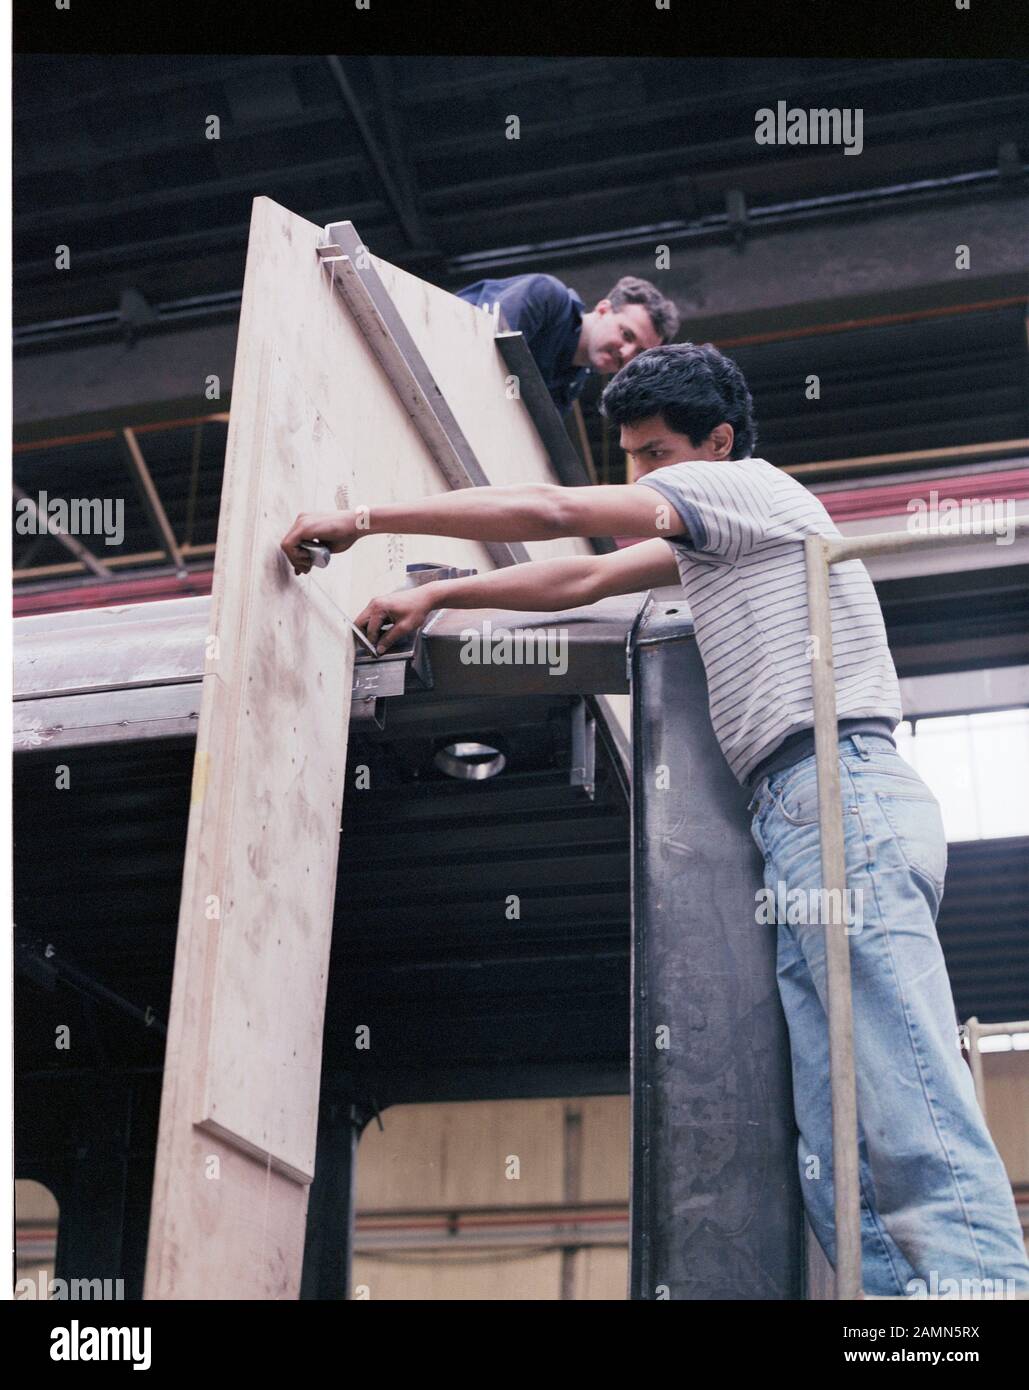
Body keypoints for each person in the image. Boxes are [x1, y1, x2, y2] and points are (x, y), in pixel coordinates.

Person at [281, 343, 1029, 1298]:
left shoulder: (750, 489)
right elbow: (579, 580)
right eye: (629, 455)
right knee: (838, 1131)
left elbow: (556, 517)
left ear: (717, 444)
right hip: (801, 815)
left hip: (839, 796)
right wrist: (439, 593)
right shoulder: (715, 532)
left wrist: (363, 517)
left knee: (904, 1096)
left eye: (655, 453)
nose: (639, 475)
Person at [455, 271, 679, 413]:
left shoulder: (571, 384)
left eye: (639, 352)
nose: (627, 352)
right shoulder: (547, 296)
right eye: (626, 335)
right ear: (603, 309)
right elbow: (478, 349)